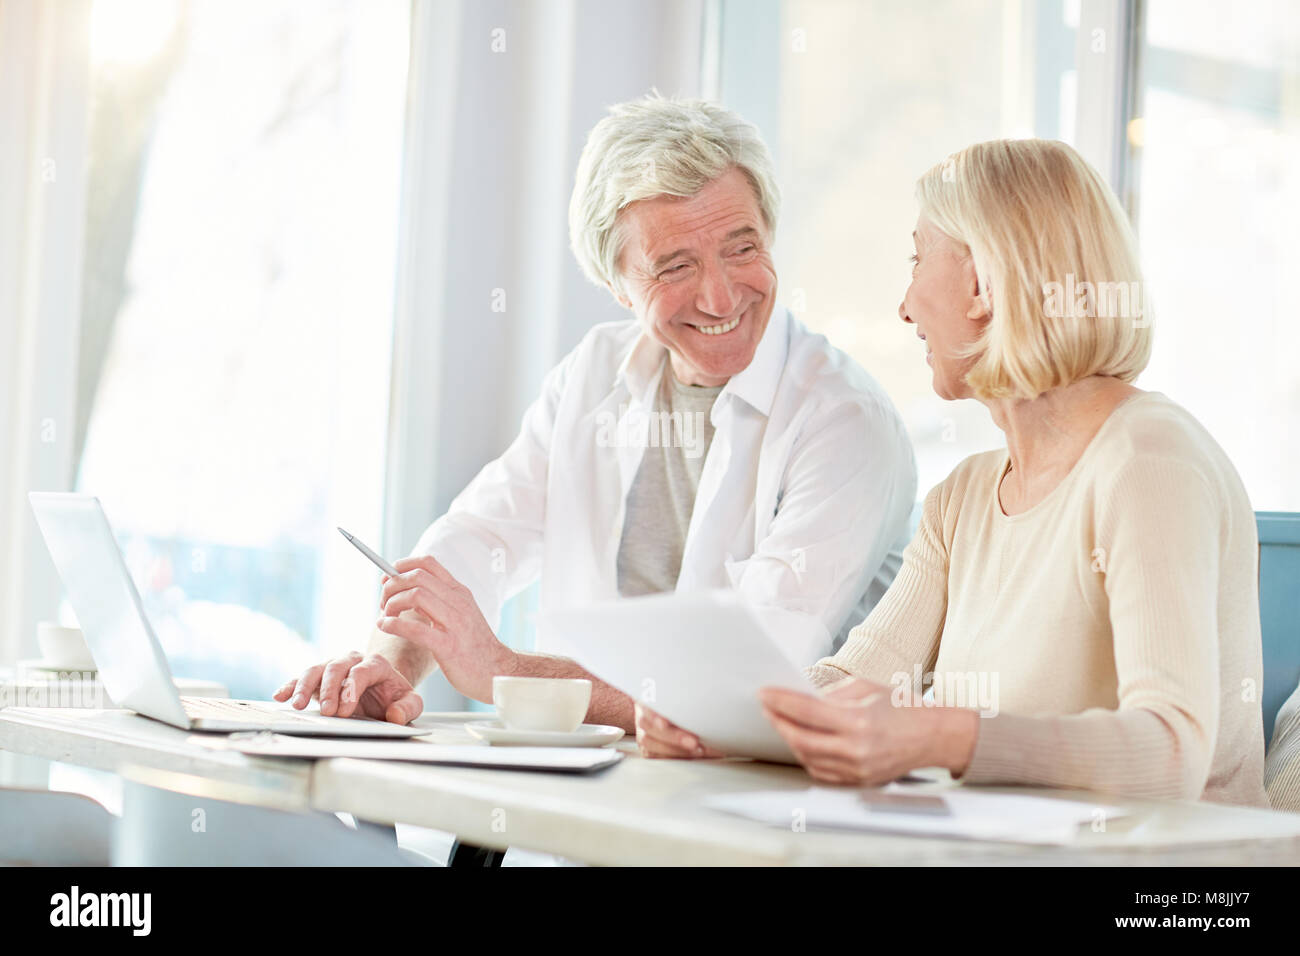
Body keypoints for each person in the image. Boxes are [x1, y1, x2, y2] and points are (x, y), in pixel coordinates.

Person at [638, 138, 1269, 807]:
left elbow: (1172, 752)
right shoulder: (963, 498)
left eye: (917, 259)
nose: (905, 307)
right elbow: (858, 678)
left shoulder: (1148, 461)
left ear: (979, 284)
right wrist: (720, 718)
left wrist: (944, 736)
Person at [276, 94, 917, 734]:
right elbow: (477, 541)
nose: (721, 294)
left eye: (742, 248)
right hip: (603, 790)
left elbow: (750, 684)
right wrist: (388, 667)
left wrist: (500, 670)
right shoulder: (595, 373)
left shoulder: (845, 422)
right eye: (676, 266)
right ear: (616, 285)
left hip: (762, 804)